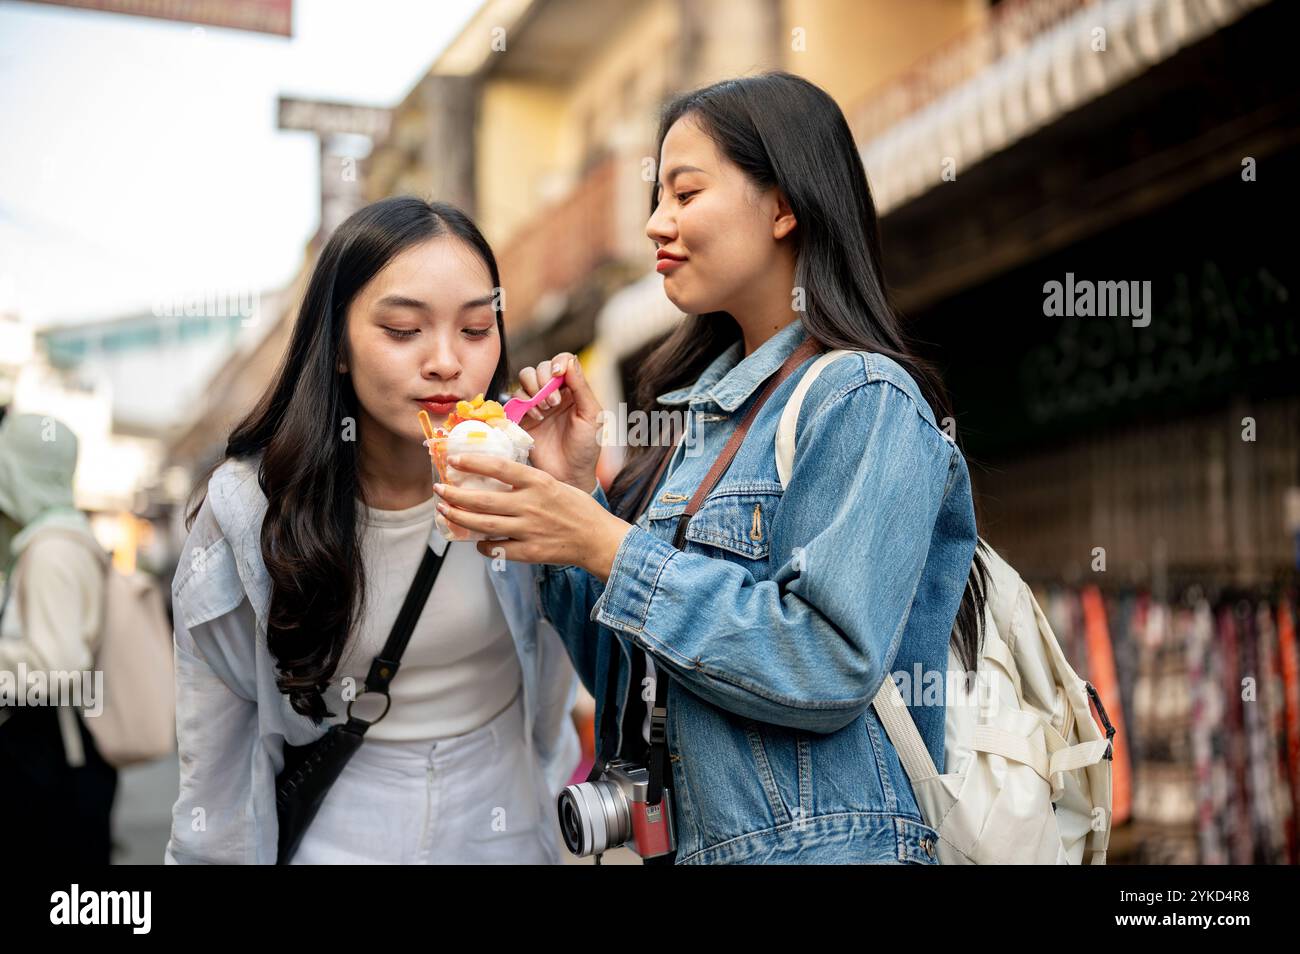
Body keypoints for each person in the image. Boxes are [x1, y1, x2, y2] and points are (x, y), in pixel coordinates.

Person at [432, 72, 989, 864]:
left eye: (685, 193)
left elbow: (828, 663)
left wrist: (607, 544)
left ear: (784, 205)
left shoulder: (865, 397)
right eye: (655, 199)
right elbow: (632, 686)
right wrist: (570, 496)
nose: (657, 224)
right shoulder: (702, 419)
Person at [165, 197, 580, 864]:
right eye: (403, 330)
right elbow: (217, 763)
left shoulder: (531, 470)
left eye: (476, 330)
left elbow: (581, 671)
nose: (446, 362)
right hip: (338, 826)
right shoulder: (251, 508)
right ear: (336, 347)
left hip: (504, 818)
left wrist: (576, 496)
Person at [0, 412, 116, 864]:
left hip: (50, 758)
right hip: (60, 754)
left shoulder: (52, 548)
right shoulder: (62, 535)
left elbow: (59, 668)